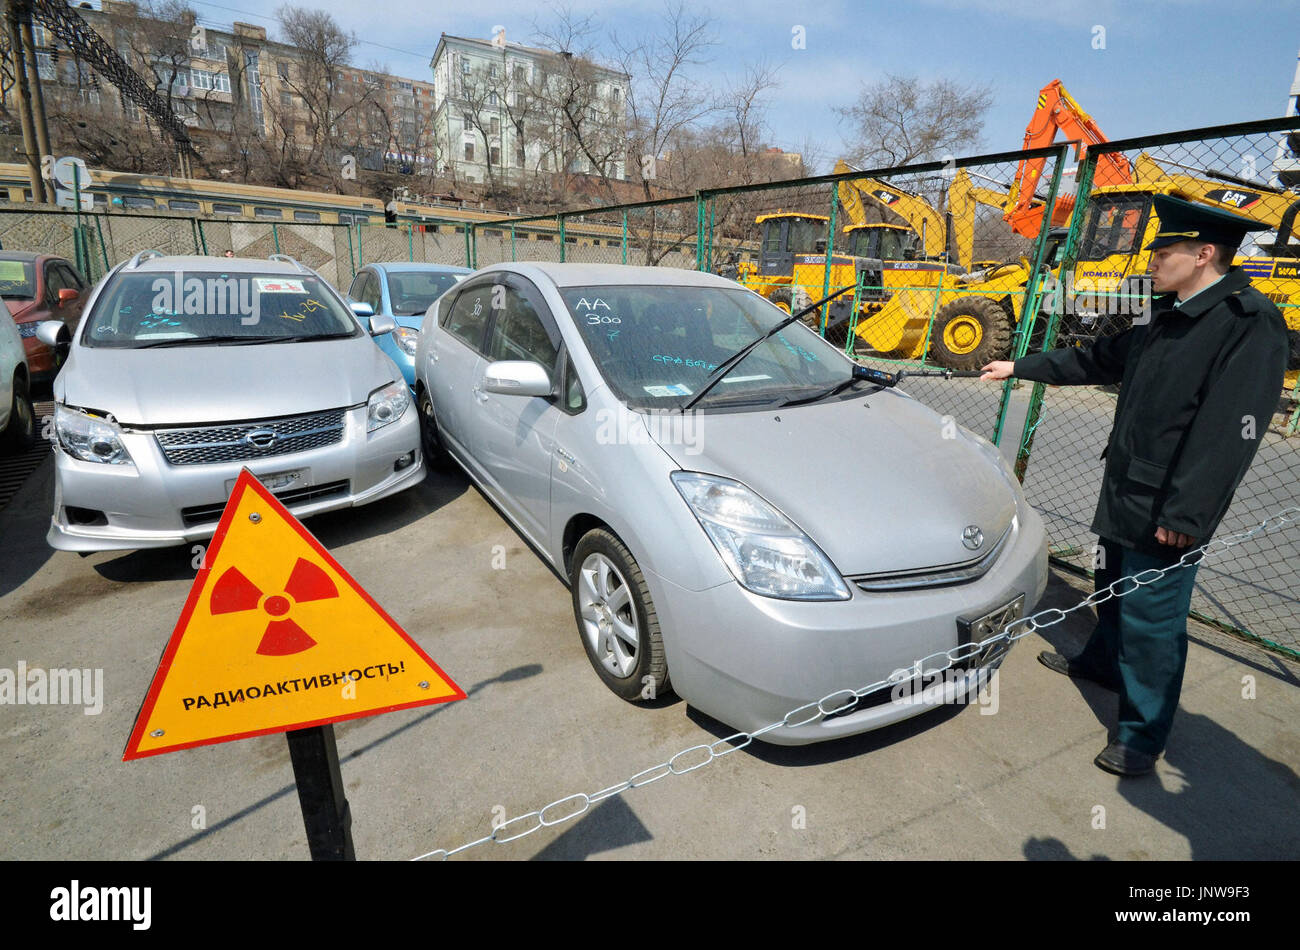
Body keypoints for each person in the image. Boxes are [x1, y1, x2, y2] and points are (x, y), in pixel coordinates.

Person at [980, 194, 1288, 776]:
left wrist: (1187, 514)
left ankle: (1143, 735)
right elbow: (1098, 359)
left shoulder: (1248, 324)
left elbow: (1229, 434)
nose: (1152, 260)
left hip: (1170, 506)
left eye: (1163, 251)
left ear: (1203, 254)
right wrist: (1019, 366)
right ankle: (1102, 663)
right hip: (1126, 487)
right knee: (1112, 586)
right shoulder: (1165, 312)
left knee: (1154, 619)